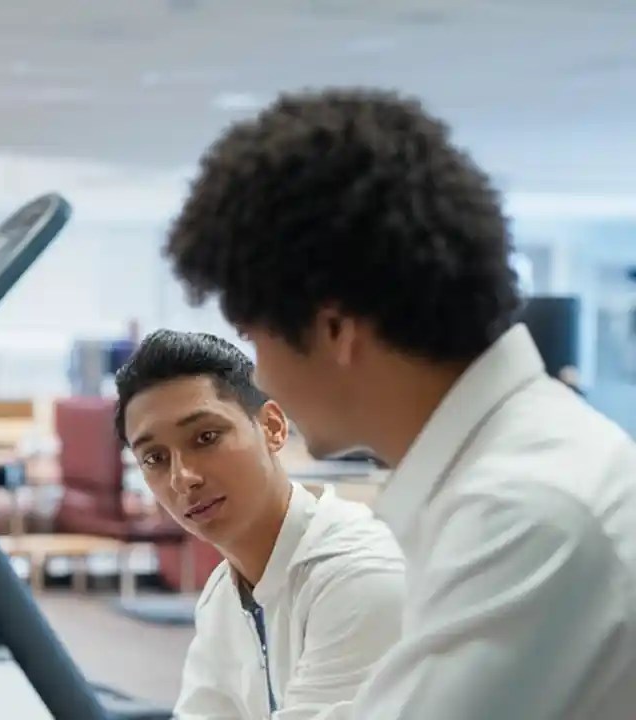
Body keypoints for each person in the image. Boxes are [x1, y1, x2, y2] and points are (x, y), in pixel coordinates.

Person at [165, 87, 636, 719]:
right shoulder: (509, 469)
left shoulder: (521, 510)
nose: (265, 379)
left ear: (335, 330)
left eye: (256, 341)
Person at [115, 329, 404, 719]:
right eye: (154, 458)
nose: (182, 477)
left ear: (272, 427)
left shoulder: (358, 574)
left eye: (206, 437)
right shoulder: (223, 594)